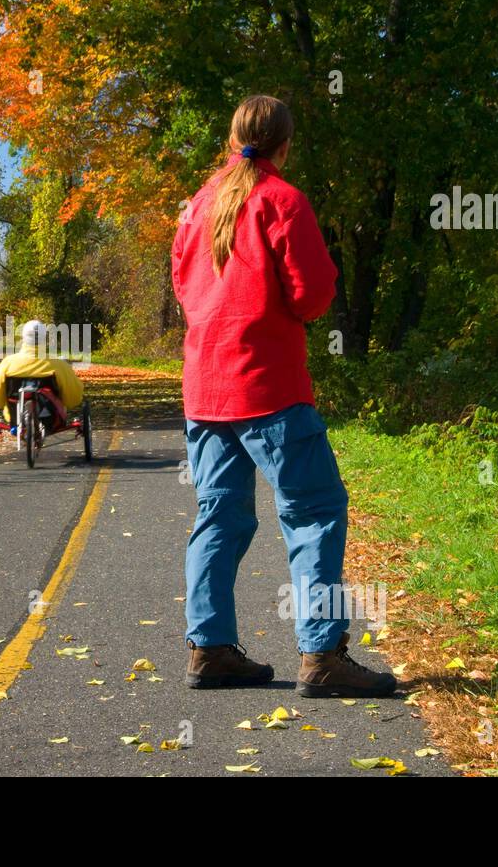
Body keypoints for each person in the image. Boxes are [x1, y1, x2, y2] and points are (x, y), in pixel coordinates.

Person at [171, 95, 396, 697]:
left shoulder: (196, 206)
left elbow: (185, 292)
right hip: (269, 386)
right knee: (315, 512)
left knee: (218, 517)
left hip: (205, 387)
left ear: (230, 140)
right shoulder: (283, 200)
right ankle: (322, 654)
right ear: (284, 145)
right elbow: (313, 296)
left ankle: (210, 649)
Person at [0, 319, 84, 430]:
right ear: (44, 338)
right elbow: (74, 398)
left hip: (15, 417)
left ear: (23, 337)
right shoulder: (58, 364)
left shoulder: (8, 363)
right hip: (51, 419)